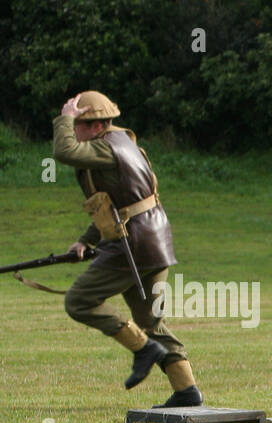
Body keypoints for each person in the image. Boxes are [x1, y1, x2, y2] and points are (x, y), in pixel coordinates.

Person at [52, 90, 201, 406]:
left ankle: (143, 349)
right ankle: (187, 391)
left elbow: (64, 151)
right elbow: (121, 204)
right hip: (154, 243)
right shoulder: (125, 143)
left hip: (131, 245)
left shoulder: (104, 148)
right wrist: (85, 240)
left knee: (78, 301)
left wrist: (64, 116)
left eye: (76, 124)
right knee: (152, 321)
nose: (73, 131)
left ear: (94, 125)